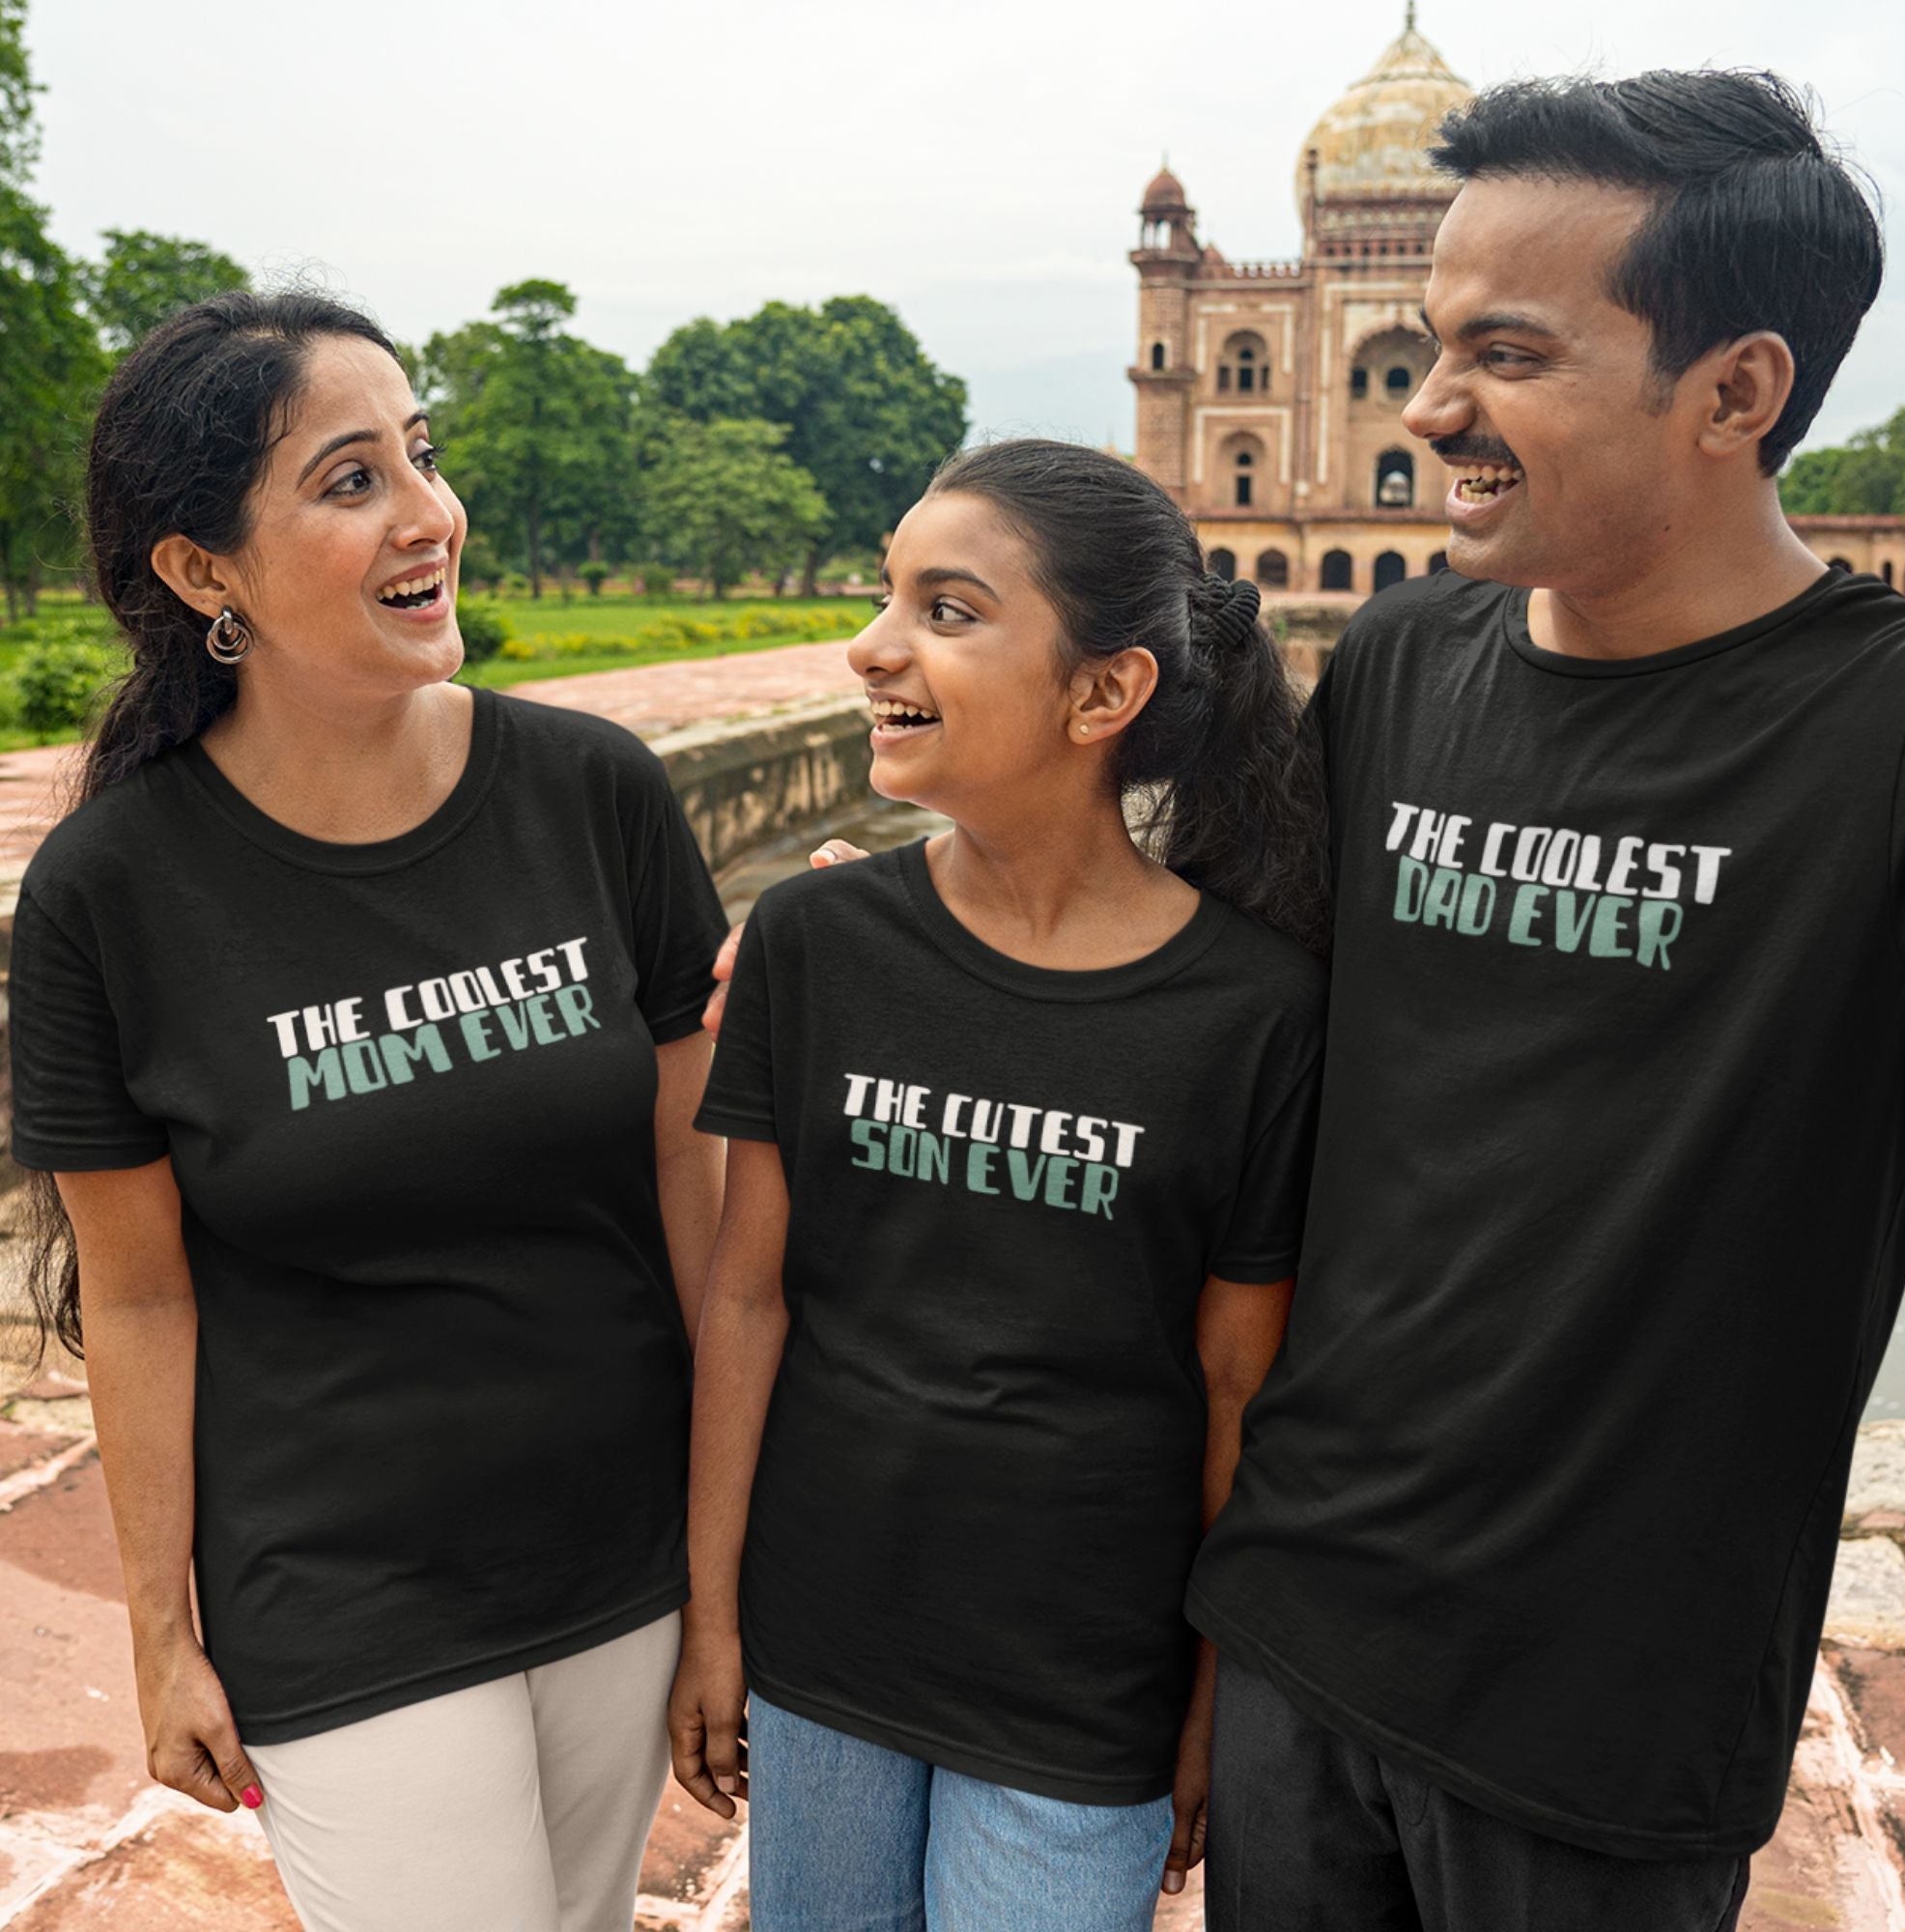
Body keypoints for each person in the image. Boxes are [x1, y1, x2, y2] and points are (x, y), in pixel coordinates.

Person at [1183, 71, 1905, 1930]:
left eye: (1505, 354)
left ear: (1735, 393)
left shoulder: (1891, 743)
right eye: (1428, 346)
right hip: (1297, 1617)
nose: (1429, 413)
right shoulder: (1411, 655)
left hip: (1605, 1701)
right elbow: (1243, 1022)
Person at [8, 291, 728, 1932]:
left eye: (421, 454)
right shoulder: (114, 894)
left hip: (617, 1539)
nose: (429, 516)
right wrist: (157, 1626)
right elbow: (133, 1286)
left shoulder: (591, 792)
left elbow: (693, 1186)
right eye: (349, 482)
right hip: (340, 1579)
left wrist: (726, 1539)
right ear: (202, 574)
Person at [669, 438, 1329, 1930]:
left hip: (1081, 1674)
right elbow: (749, 1296)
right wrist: (714, 1619)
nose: (872, 645)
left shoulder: (1251, 1014)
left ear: (1104, 694)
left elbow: (1237, 1391)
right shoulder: (814, 943)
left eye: (948, 611)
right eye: (885, 593)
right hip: (826, 1630)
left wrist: (1212, 1692)